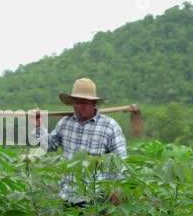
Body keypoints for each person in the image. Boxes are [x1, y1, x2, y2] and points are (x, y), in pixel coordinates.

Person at [32, 78, 127, 206]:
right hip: (68, 196)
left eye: (83, 102)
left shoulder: (110, 126)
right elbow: (49, 145)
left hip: (96, 199)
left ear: (93, 103)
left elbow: (121, 161)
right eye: (76, 102)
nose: (78, 106)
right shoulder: (65, 123)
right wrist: (38, 126)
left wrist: (116, 191)